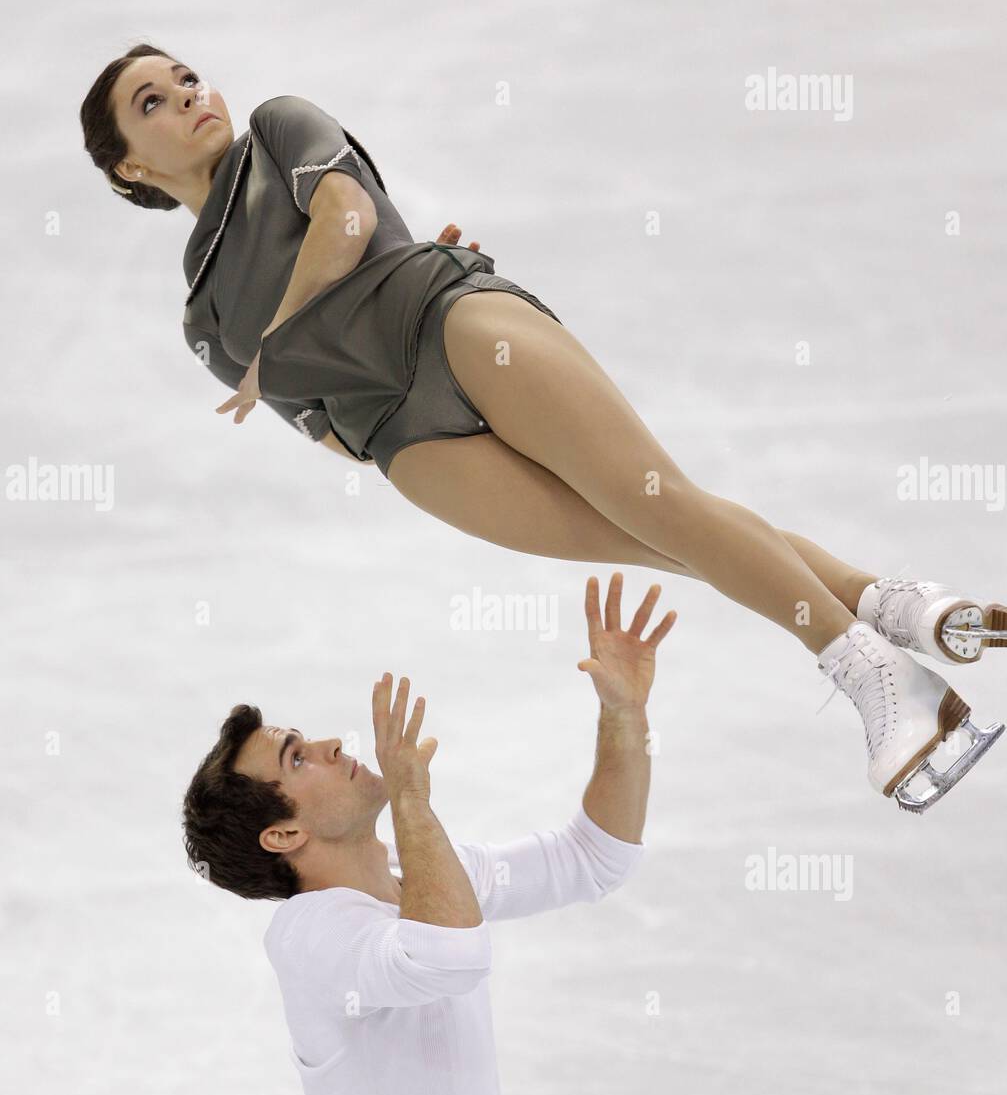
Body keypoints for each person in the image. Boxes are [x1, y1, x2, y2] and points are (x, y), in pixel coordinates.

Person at [81, 46, 1006, 812]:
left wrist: (279, 342)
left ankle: (888, 684)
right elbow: (315, 424)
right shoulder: (202, 319)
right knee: (651, 540)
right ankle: (891, 604)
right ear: (130, 165)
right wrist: (312, 379)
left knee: (668, 508)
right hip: (407, 443)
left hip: (448, 319)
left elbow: (349, 217)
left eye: (187, 78)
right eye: (151, 102)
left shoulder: (279, 128)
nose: (187, 98)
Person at [181, 573, 673, 1095]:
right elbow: (444, 958)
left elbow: (594, 859)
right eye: (297, 758)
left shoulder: (425, 888)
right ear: (283, 834)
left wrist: (622, 714)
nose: (327, 744)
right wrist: (409, 795)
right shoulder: (307, 937)